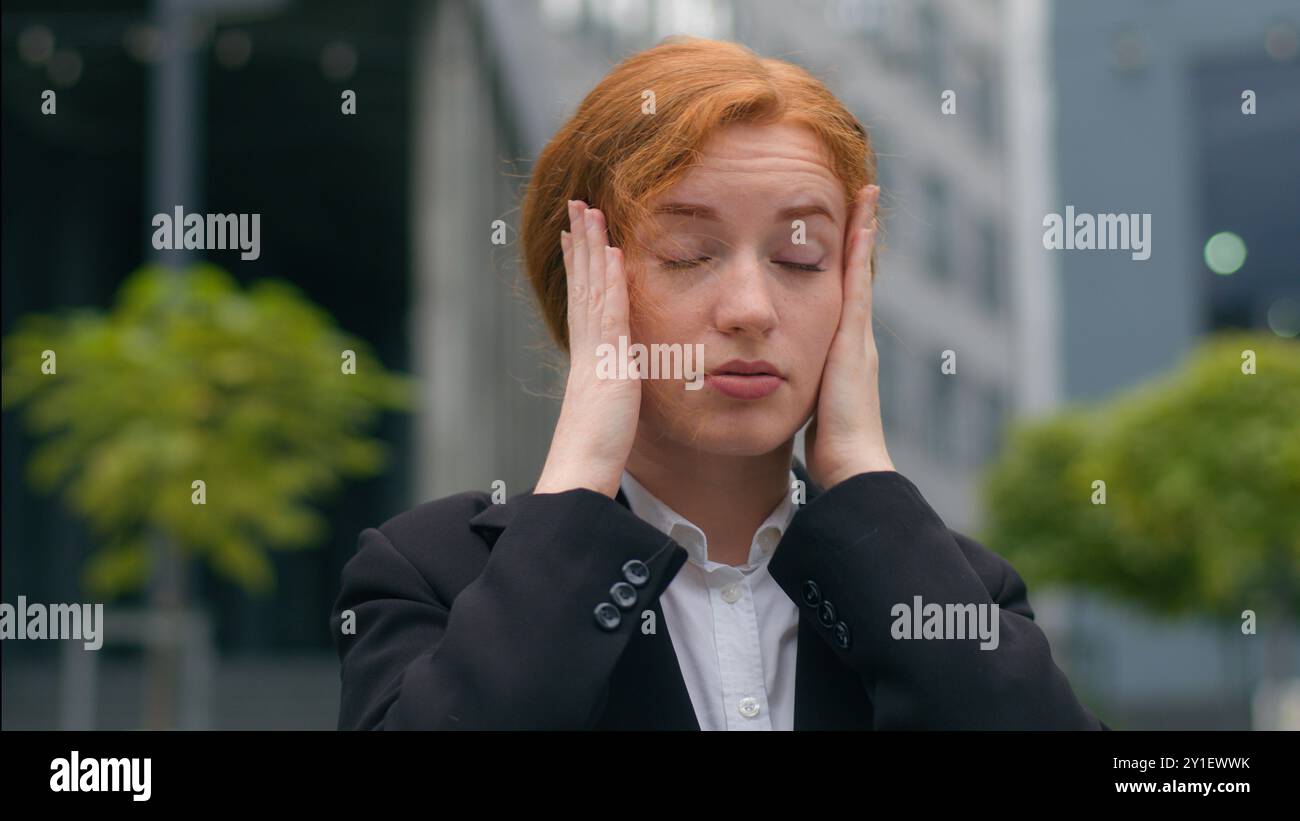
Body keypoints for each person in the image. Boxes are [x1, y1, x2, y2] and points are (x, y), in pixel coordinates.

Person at [330, 35, 1107, 731]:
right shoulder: (429, 573)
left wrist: (864, 475)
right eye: (690, 253)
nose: (749, 310)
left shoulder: (953, 588)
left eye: (802, 260)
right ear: (583, 281)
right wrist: (574, 489)